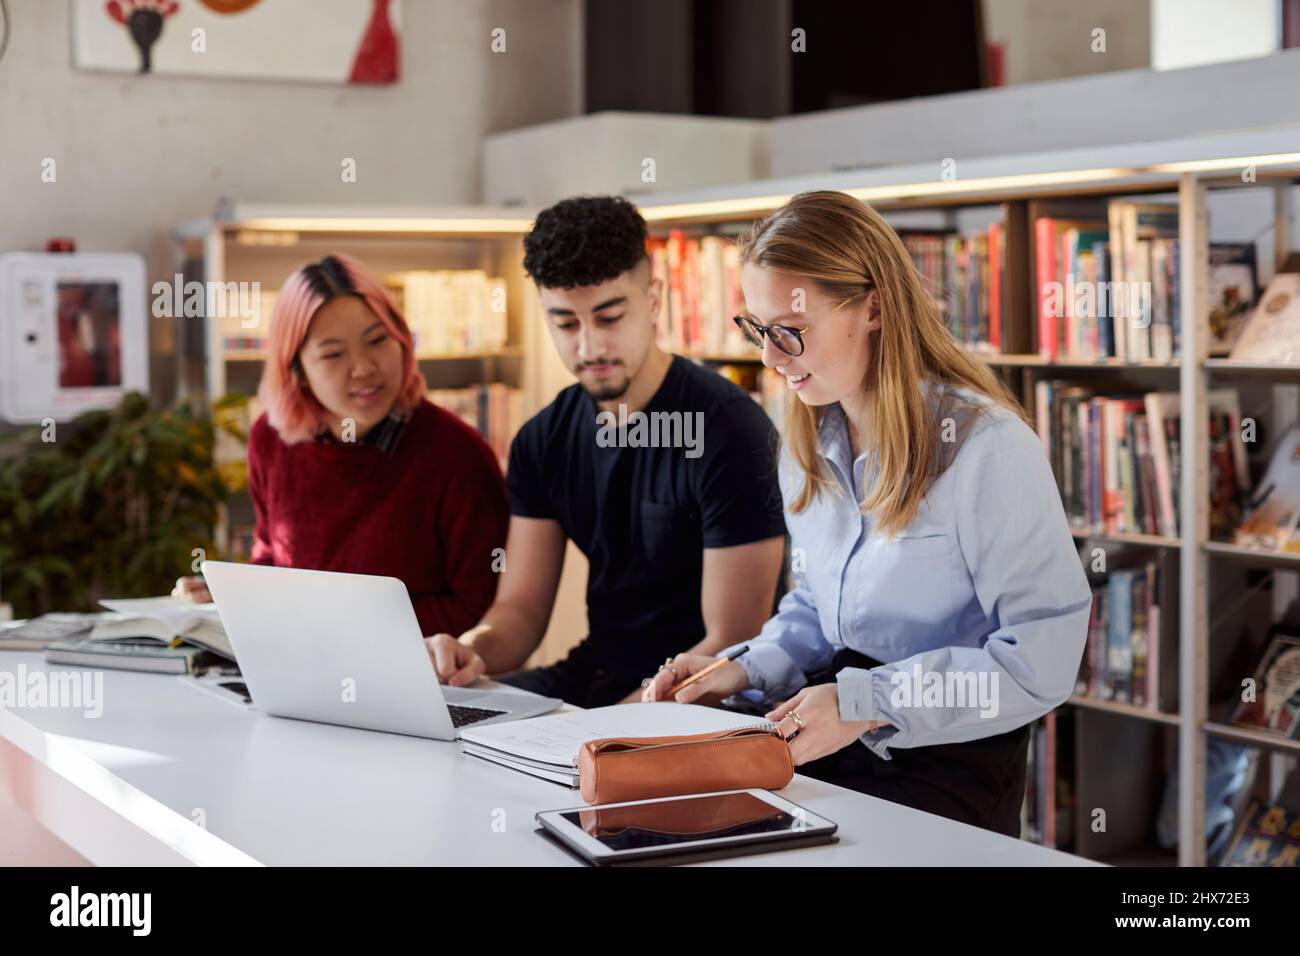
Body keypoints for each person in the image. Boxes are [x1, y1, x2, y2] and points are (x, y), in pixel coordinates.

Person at [642, 191, 1091, 836]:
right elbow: (822, 609)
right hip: (836, 730)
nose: (769, 358)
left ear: (873, 307)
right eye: (757, 330)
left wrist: (868, 702)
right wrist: (737, 668)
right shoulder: (805, 442)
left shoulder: (987, 450)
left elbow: (1041, 662)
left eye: (789, 331)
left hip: (948, 760)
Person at [425, 196, 787, 707]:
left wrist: (602, 730)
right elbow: (520, 613)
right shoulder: (541, 440)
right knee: (437, 714)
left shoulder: (730, 429)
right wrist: (469, 649)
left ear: (654, 300)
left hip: (706, 704)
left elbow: (729, 647)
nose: (589, 348)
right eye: (566, 324)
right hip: (593, 678)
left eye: (609, 317)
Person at [174, 253, 508, 637]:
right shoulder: (271, 438)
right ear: (296, 369)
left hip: (420, 679)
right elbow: (272, 557)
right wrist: (232, 593)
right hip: (303, 662)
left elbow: (479, 608)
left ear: (402, 340)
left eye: (378, 340)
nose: (364, 368)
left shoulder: (457, 454)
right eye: (333, 354)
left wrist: (336, 625)